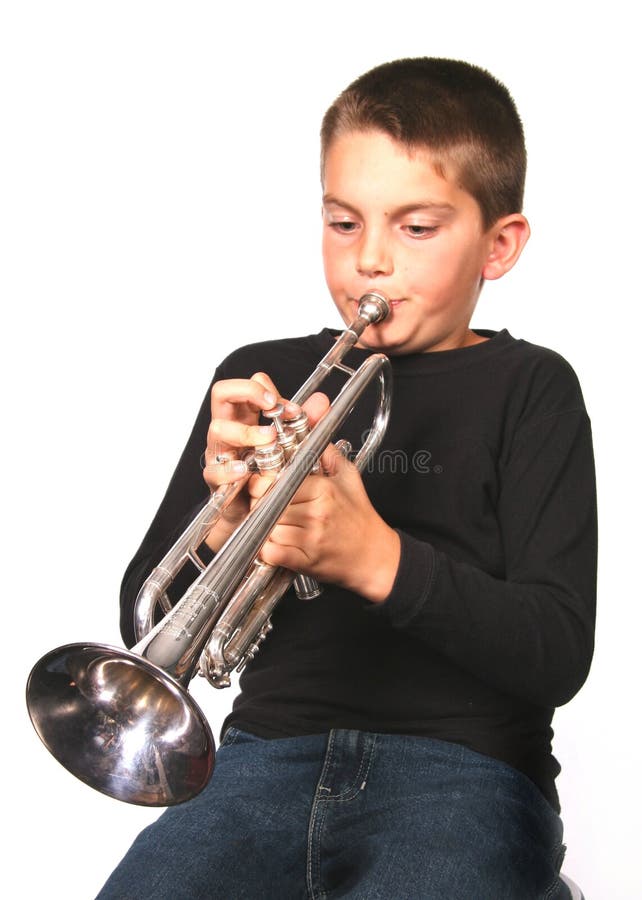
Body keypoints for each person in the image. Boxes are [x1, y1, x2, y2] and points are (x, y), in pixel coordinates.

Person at [98, 58, 597, 899]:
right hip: (262, 761)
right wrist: (224, 525)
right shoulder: (261, 377)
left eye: (417, 228)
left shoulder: (533, 388)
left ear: (499, 244)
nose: (369, 261)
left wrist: (375, 558)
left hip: (464, 776)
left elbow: (556, 649)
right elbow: (141, 619)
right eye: (342, 222)